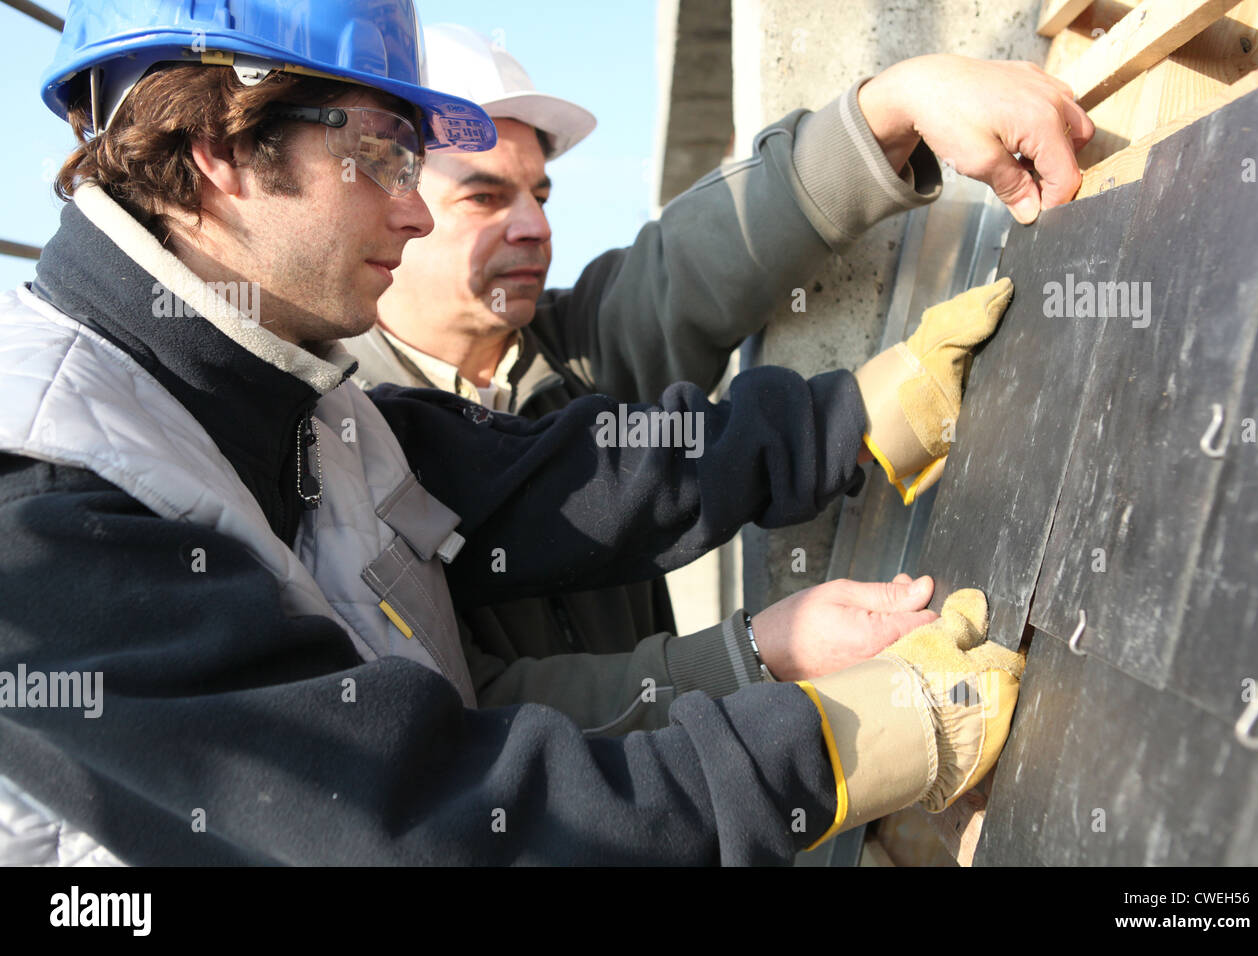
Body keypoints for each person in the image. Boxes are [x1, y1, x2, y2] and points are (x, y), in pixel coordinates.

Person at [0, 0, 1036, 865]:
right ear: (219, 147)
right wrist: (831, 745)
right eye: (381, 155)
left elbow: (552, 478)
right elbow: (419, 821)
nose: (410, 216)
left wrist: (846, 420)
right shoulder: (44, 506)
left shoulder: (292, 405)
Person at [345, 25, 1092, 731]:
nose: (536, 227)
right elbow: (490, 718)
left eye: (539, 195)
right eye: (484, 196)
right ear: (393, 202)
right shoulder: (349, 446)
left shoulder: (577, 351)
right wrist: (754, 656)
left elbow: (707, 254)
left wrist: (896, 106)